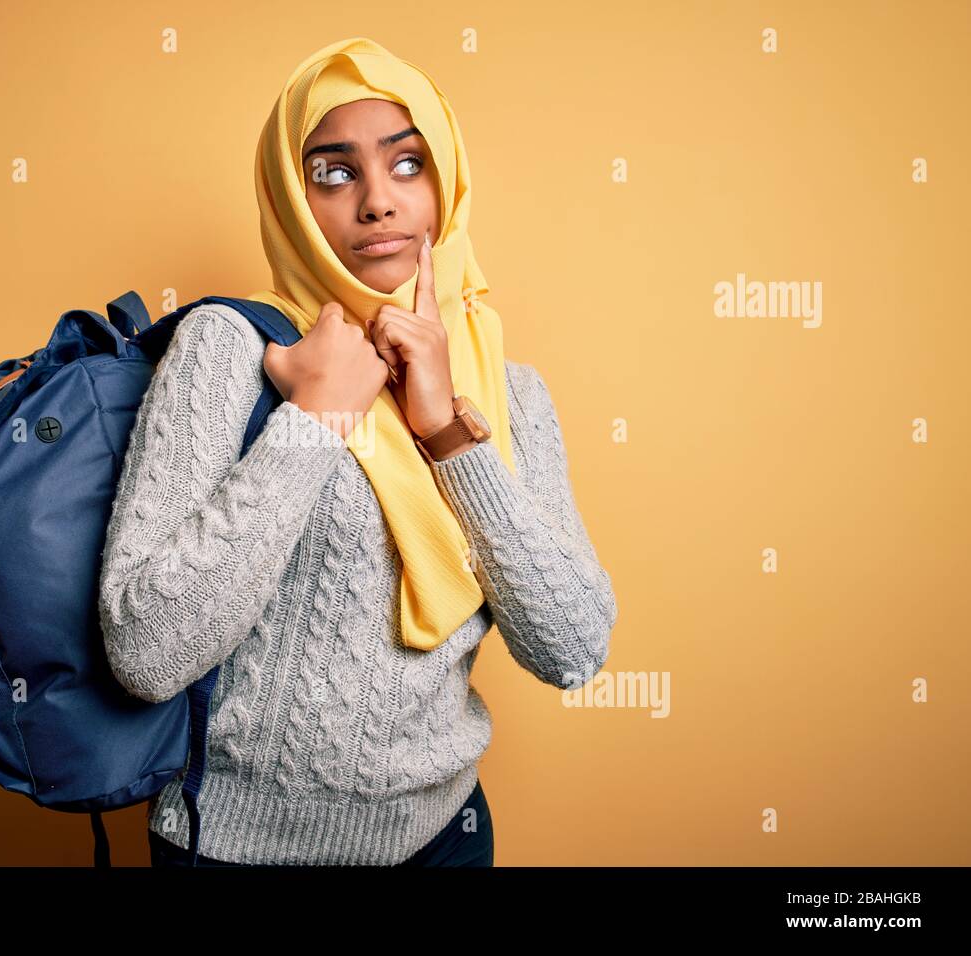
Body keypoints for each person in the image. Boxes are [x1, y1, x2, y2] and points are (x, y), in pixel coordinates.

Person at [97, 36, 617, 867]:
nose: (377, 201)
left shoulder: (511, 392)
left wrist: (449, 431)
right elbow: (147, 651)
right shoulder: (229, 348)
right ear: (290, 200)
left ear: (447, 180)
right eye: (334, 173)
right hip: (228, 850)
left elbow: (572, 650)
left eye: (407, 165)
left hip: (445, 840)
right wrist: (316, 418)